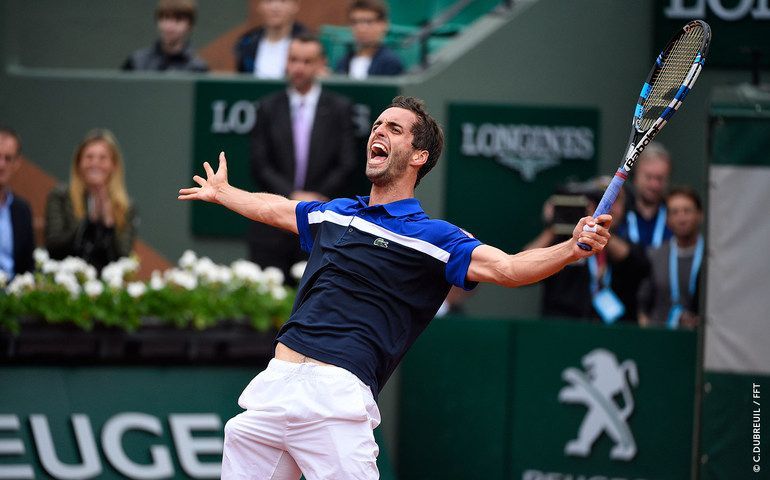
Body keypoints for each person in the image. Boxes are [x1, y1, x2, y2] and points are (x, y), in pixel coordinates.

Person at [179, 95, 611, 479]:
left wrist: (570, 249)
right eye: (377, 125)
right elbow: (276, 209)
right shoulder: (337, 213)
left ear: (419, 156)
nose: (379, 132)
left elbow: (509, 268)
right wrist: (224, 193)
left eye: (395, 128)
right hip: (275, 385)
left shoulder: (435, 237)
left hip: (335, 396)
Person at [247, 34, 356, 281]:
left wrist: (314, 199)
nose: (299, 68)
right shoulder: (267, 107)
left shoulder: (340, 108)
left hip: (321, 224)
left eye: (307, 61)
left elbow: (346, 163)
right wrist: (293, 196)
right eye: (294, 60)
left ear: (321, 64)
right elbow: (260, 164)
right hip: (272, 224)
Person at [526, 178, 649, 324]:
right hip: (564, 327)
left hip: (616, 330)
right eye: (599, 200)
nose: (606, 206)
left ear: (625, 206)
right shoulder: (563, 241)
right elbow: (526, 270)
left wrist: (598, 229)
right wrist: (557, 222)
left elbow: (639, 266)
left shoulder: (630, 237)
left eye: (614, 199)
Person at [45, 129, 138, 272]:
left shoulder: (126, 207)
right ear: (78, 163)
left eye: (102, 158)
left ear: (114, 165)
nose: (95, 163)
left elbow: (123, 260)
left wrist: (109, 223)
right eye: (89, 157)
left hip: (108, 283)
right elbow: (54, 248)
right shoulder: (60, 197)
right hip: (67, 278)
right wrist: (88, 221)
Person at [638, 186, 704, 329]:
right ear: (667, 219)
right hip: (661, 334)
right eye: (675, 212)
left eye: (687, 211)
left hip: (704, 336)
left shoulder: (712, 257)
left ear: (700, 215)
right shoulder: (654, 256)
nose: (681, 218)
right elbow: (643, 306)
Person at [122, 0, 208, 72]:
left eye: (178, 20)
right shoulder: (136, 62)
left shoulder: (198, 68)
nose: (169, 26)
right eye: (165, 18)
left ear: (190, 25)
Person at [620, 142, 673, 250]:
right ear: (635, 176)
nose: (654, 185)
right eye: (648, 177)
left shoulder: (674, 216)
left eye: (660, 178)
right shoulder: (618, 214)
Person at [235, 0, 307, 77]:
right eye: (269, 1)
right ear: (259, 5)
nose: (275, 7)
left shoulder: (308, 44)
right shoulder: (246, 43)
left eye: (283, 1)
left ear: (295, 5)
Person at [334, 0, 404, 79]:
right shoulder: (343, 62)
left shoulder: (390, 63)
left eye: (368, 22)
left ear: (384, 24)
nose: (361, 29)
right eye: (355, 22)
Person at [0, 126, 34, 279]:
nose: (1, 165)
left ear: (17, 163)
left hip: (14, 289)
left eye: (8, 159)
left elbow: (28, 267)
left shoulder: (22, 210)